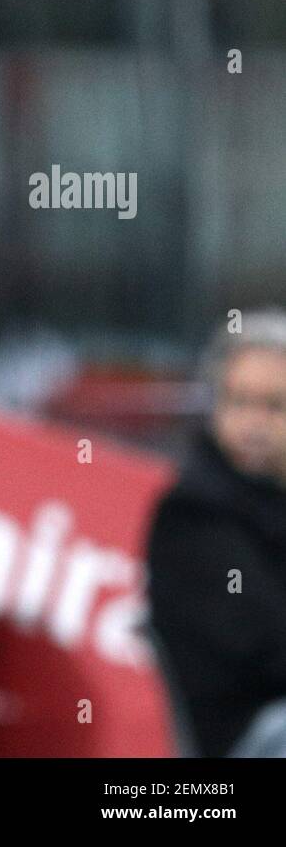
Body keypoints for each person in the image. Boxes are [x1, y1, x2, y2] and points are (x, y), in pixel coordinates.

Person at [146, 308, 286, 756]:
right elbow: (270, 648)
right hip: (249, 736)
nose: (253, 423)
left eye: (274, 405)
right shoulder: (193, 514)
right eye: (238, 401)